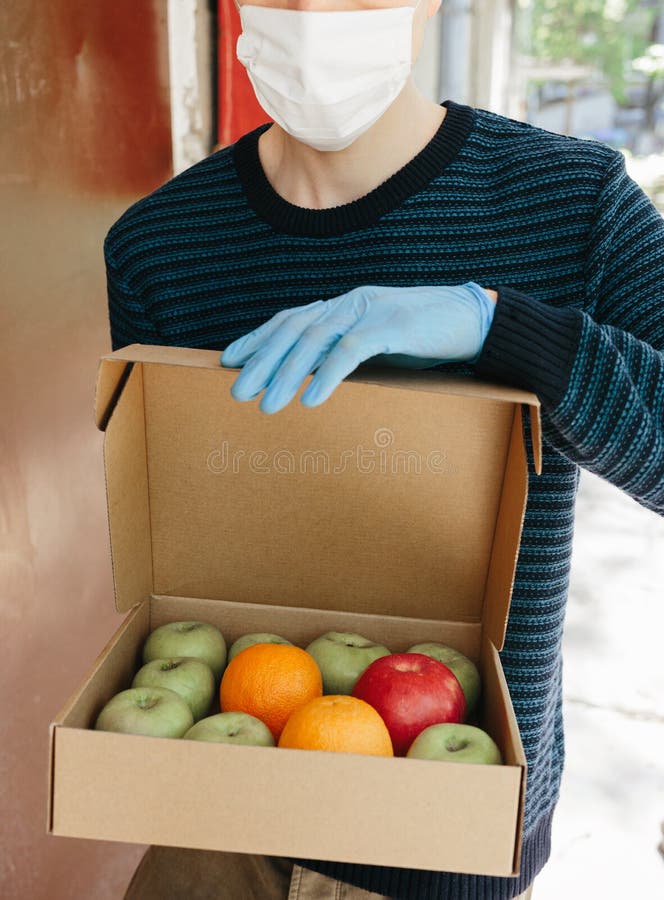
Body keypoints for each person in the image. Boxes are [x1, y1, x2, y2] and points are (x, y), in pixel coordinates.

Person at [105, 0, 664, 897]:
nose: (316, 13)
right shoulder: (161, 248)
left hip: (445, 832)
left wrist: (500, 323)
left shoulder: (574, 204)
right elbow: (168, 532)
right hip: (217, 803)